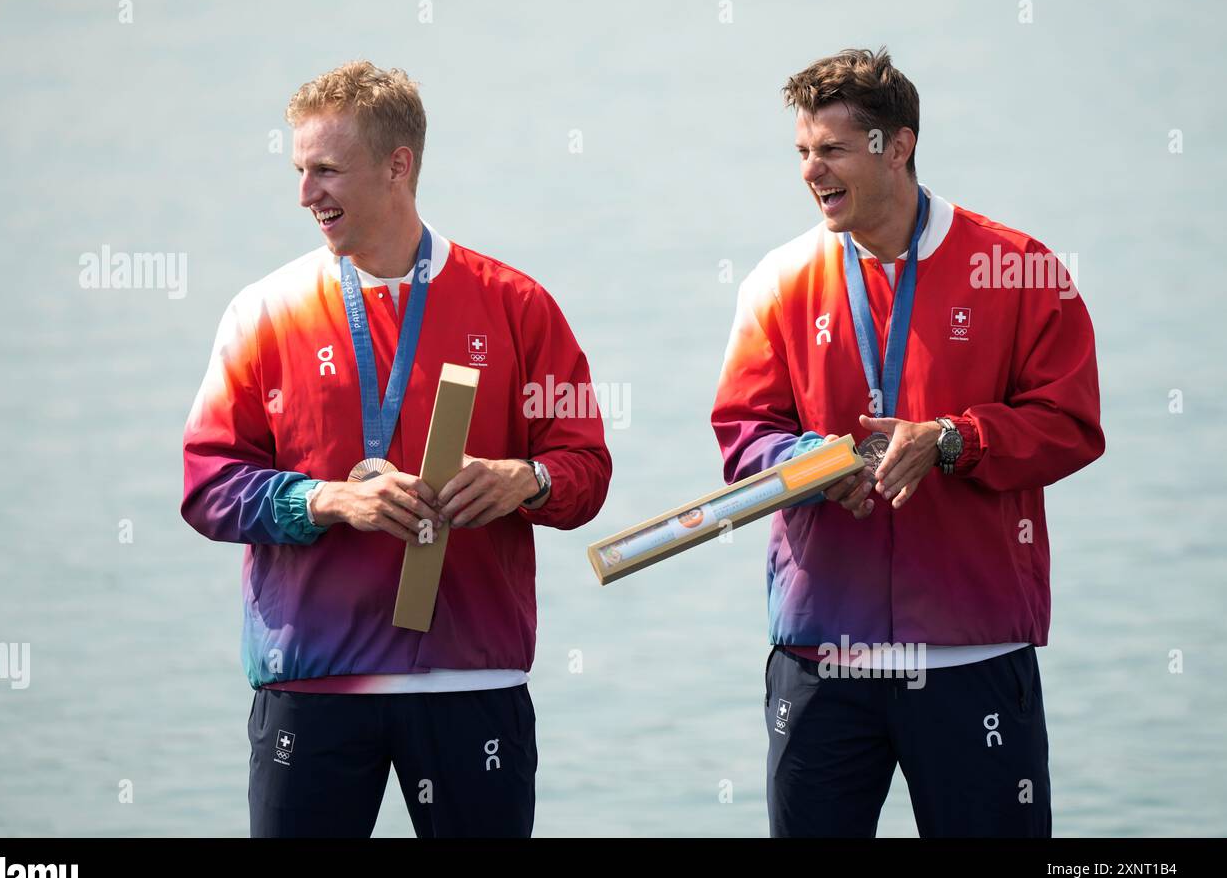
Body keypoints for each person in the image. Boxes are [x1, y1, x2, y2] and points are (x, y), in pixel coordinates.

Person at [181, 60, 612, 837]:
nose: (305, 193)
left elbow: (586, 468)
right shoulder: (263, 312)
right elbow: (208, 485)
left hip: (472, 680)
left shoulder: (516, 303)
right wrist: (327, 500)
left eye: (326, 170)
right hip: (313, 685)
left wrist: (528, 480)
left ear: (398, 166)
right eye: (299, 170)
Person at [711, 47, 1104, 837]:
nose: (810, 170)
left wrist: (956, 440)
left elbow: (1072, 424)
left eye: (832, 149)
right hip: (823, 657)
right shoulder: (779, 279)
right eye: (802, 152)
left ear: (899, 146)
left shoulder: (1017, 269)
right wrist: (809, 467)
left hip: (971, 655)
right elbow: (743, 433)